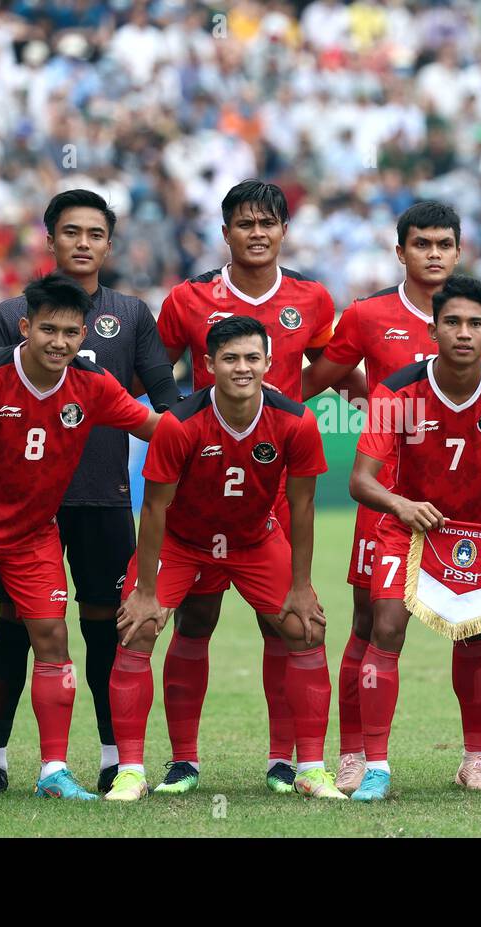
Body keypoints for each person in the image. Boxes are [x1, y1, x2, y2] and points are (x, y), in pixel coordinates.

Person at [301, 200, 481, 794]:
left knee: (475, 625)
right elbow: (309, 384)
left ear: (458, 251)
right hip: (389, 501)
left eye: (443, 244)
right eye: (420, 244)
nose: (432, 254)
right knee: (370, 623)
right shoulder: (369, 315)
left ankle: (475, 758)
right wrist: (363, 399)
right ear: (400, 251)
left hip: (467, 509)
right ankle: (355, 755)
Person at [0, 189, 180, 797]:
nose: (82, 243)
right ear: (51, 240)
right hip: (23, 508)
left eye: (94, 234)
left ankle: (115, 760)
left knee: (102, 631)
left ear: (109, 244)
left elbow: (164, 398)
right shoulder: (13, 315)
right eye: (70, 232)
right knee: (14, 629)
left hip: (103, 497)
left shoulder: (133, 315)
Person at [0, 272, 159, 801]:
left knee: (52, 640)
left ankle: (53, 770)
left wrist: (227, 418)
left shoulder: (93, 386)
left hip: (33, 535)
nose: (60, 342)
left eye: (72, 333)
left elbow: (154, 427)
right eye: (49, 329)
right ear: (24, 327)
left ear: (83, 337)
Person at [106, 315, 345, 801]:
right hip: (182, 541)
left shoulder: (296, 420)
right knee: (139, 626)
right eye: (231, 359)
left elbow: (301, 505)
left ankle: (311, 768)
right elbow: (153, 508)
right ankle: (134, 770)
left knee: (306, 627)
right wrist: (146, 592)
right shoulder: (179, 424)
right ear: (209, 364)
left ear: (269, 363)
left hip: (253, 540)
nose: (242, 368)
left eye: (252, 358)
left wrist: (302, 586)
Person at [349, 274, 481, 802]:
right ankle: (376, 766)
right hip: (409, 524)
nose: (463, 333)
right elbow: (361, 480)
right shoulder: (397, 390)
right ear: (432, 329)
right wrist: (402, 505)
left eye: (474, 324)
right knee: (387, 625)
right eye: (452, 323)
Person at [153, 180, 337, 794]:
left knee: (285, 623)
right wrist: (184, 433)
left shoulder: (312, 299)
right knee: (195, 619)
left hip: (274, 488)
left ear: (284, 230)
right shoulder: (187, 297)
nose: (257, 233)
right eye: (244, 223)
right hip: (204, 489)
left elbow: (327, 368)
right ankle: (183, 761)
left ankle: (285, 761)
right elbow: (158, 374)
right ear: (225, 231)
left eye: (268, 223)